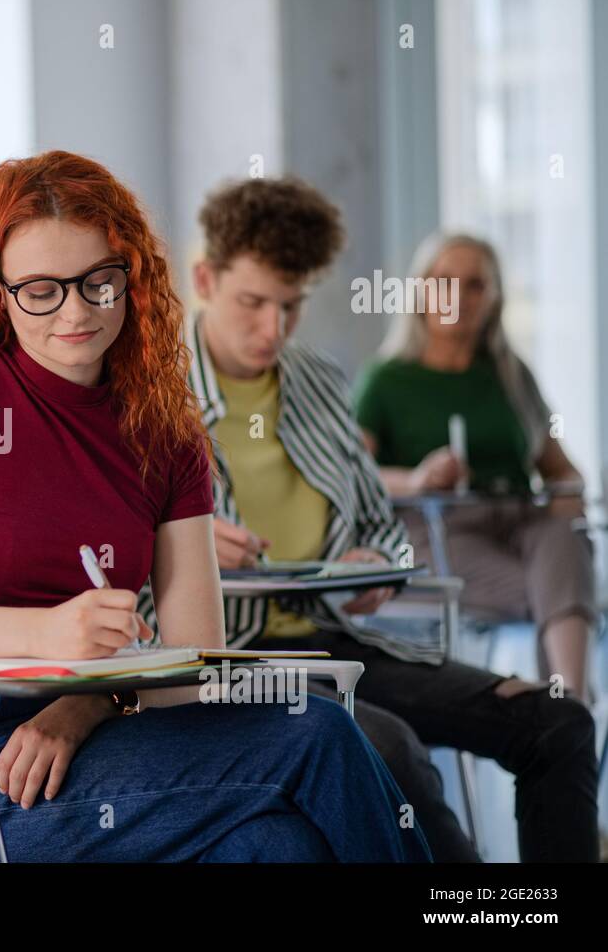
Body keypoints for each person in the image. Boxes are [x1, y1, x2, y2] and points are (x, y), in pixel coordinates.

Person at [0, 150, 430, 862]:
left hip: (124, 736)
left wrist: (90, 702)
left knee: (277, 845)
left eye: (100, 281)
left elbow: (194, 661)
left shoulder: (163, 424)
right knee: (316, 732)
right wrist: (46, 637)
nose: (77, 310)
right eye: (40, 290)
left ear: (134, 278)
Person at [148, 178, 598, 861]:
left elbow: (378, 520)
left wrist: (374, 565)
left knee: (554, 721)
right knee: (393, 749)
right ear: (206, 278)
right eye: (253, 303)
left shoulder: (316, 382)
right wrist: (179, 540)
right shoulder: (147, 392)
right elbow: (96, 544)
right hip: (232, 660)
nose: (274, 328)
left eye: (291, 306)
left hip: (339, 642)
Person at [354, 233, 596, 700]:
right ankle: (562, 705)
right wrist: (417, 479)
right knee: (564, 587)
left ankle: (568, 702)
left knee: (566, 538)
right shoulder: (386, 381)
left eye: (474, 284)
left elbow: (562, 472)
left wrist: (569, 496)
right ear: (420, 290)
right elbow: (351, 478)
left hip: (522, 523)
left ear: (495, 296)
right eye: (444, 281)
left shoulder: (510, 374)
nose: (458, 297)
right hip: (437, 530)